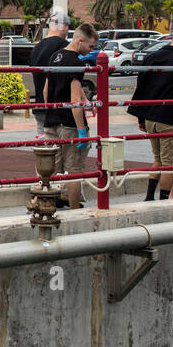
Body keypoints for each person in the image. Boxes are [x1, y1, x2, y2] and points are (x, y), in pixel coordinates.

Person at [127, 21, 173, 201]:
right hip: (170, 119)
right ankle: (163, 200)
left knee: (158, 160)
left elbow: (142, 87)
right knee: (169, 164)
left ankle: (148, 197)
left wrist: (140, 117)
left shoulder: (152, 57)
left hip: (151, 118)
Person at [42, 24, 100, 209]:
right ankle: (75, 209)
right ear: (80, 41)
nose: (91, 51)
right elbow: (74, 99)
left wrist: (50, 112)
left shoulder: (55, 56)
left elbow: (45, 90)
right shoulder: (77, 63)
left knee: (51, 168)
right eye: (90, 46)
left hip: (51, 121)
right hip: (70, 124)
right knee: (74, 170)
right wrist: (82, 130)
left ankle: (44, 203)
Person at [29, 11, 70, 139]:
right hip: (58, 106)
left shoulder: (36, 48)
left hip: (39, 105)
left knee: (45, 148)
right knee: (61, 148)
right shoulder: (64, 45)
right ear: (64, 26)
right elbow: (70, 76)